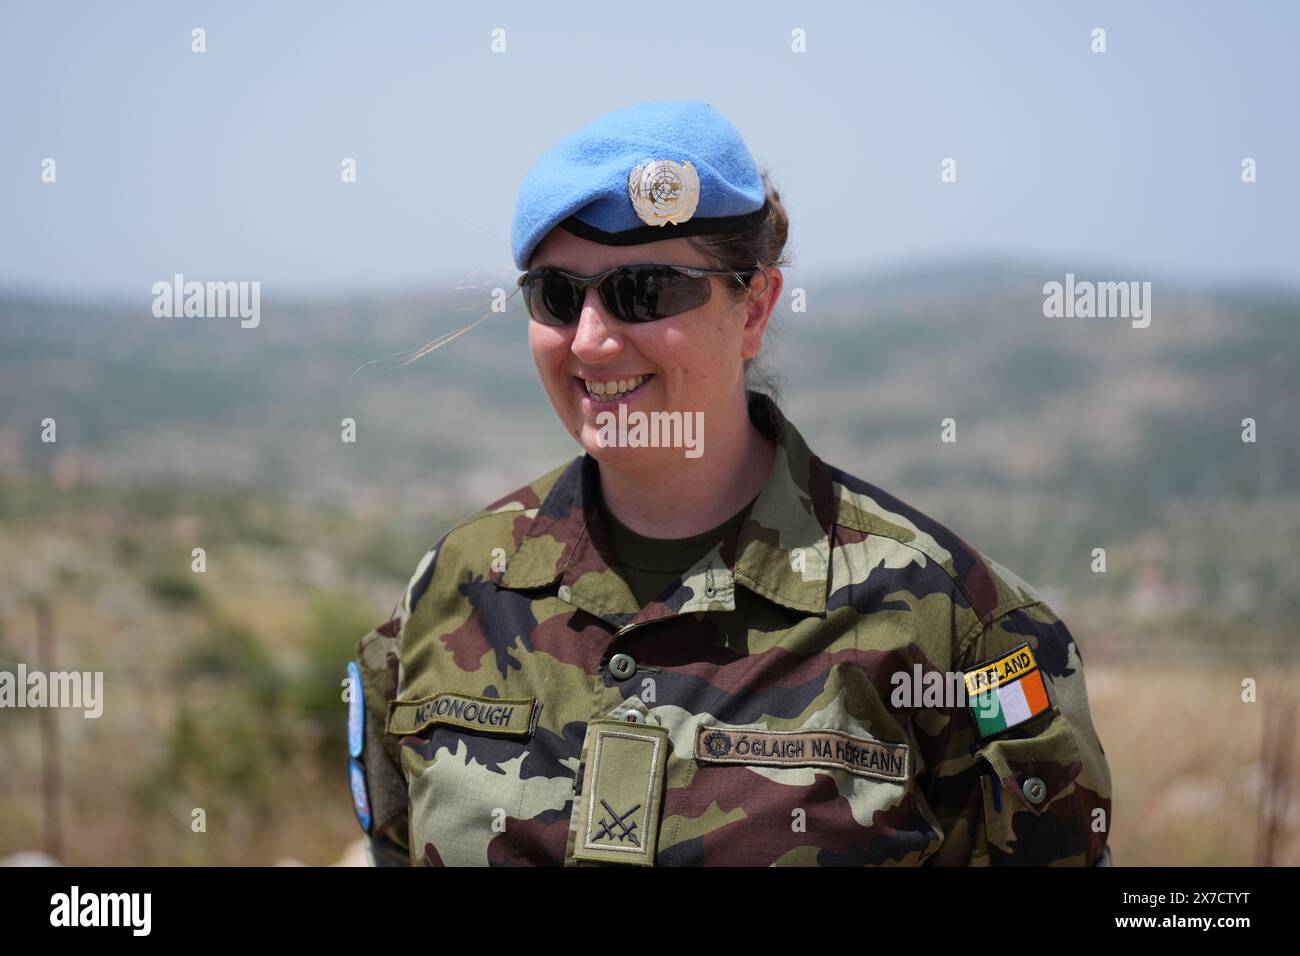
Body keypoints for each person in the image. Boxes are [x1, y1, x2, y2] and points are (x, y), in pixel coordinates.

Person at [348, 99, 1113, 867]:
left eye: (642, 291)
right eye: (556, 294)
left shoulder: (963, 633)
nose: (590, 338)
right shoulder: (453, 590)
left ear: (754, 309)